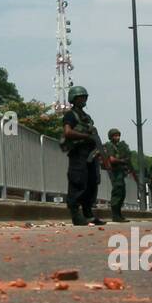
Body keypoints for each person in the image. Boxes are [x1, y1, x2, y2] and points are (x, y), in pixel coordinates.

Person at [61, 85, 104, 226]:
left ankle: (88, 214)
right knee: (78, 182)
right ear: (74, 98)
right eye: (80, 97)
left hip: (90, 154)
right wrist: (86, 137)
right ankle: (75, 214)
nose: (83, 99)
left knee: (92, 183)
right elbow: (67, 132)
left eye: (85, 97)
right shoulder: (70, 115)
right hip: (78, 153)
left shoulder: (86, 117)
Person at [102, 128, 140, 223]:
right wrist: (122, 161)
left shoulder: (119, 147)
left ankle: (119, 214)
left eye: (118, 135)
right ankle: (115, 215)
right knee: (117, 193)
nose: (117, 137)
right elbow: (111, 159)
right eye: (115, 135)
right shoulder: (110, 145)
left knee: (122, 193)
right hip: (115, 172)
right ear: (111, 137)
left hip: (120, 172)